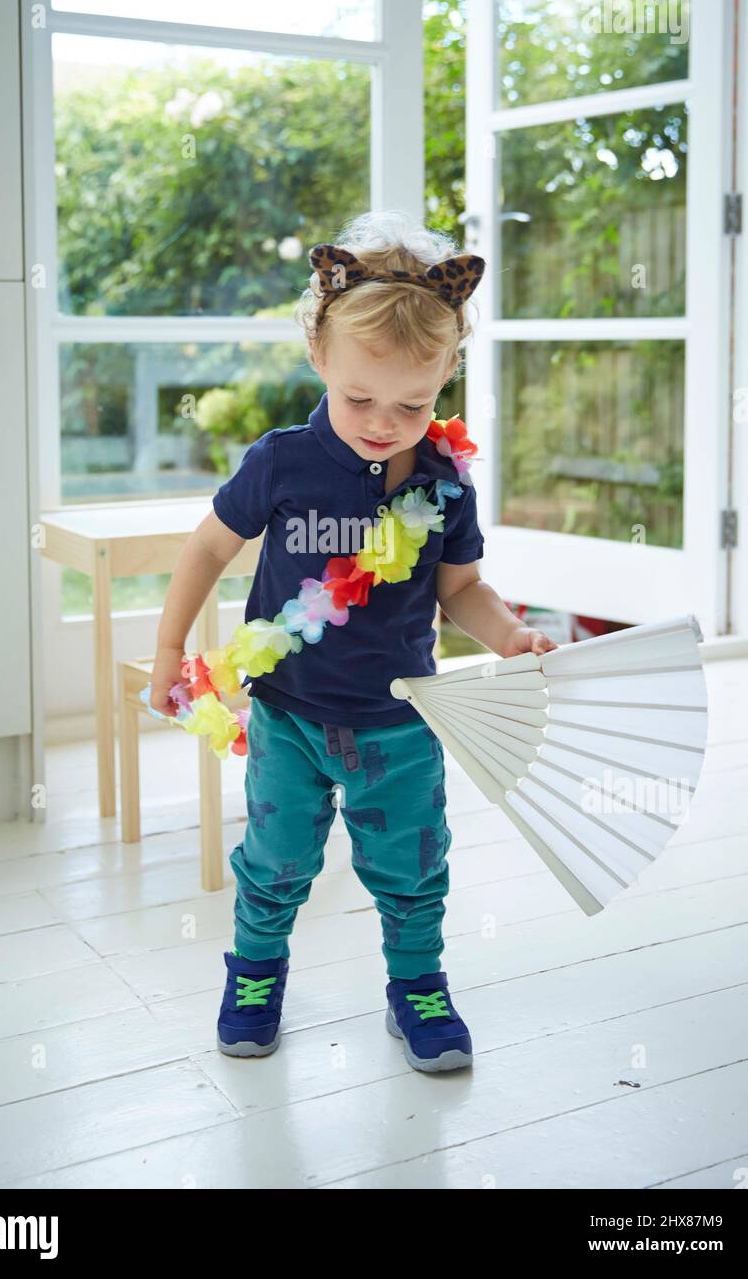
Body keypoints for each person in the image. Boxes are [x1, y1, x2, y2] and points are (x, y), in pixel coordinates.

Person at [149, 210, 556, 1073]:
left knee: (412, 867)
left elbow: (461, 592)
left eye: (413, 404)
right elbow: (206, 550)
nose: (382, 421)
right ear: (318, 358)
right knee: (275, 859)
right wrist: (167, 654)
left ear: (447, 375)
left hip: (401, 719)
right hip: (289, 717)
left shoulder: (446, 485)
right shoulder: (282, 461)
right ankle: (255, 973)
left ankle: (417, 987)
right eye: (360, 397)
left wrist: (512, 637)